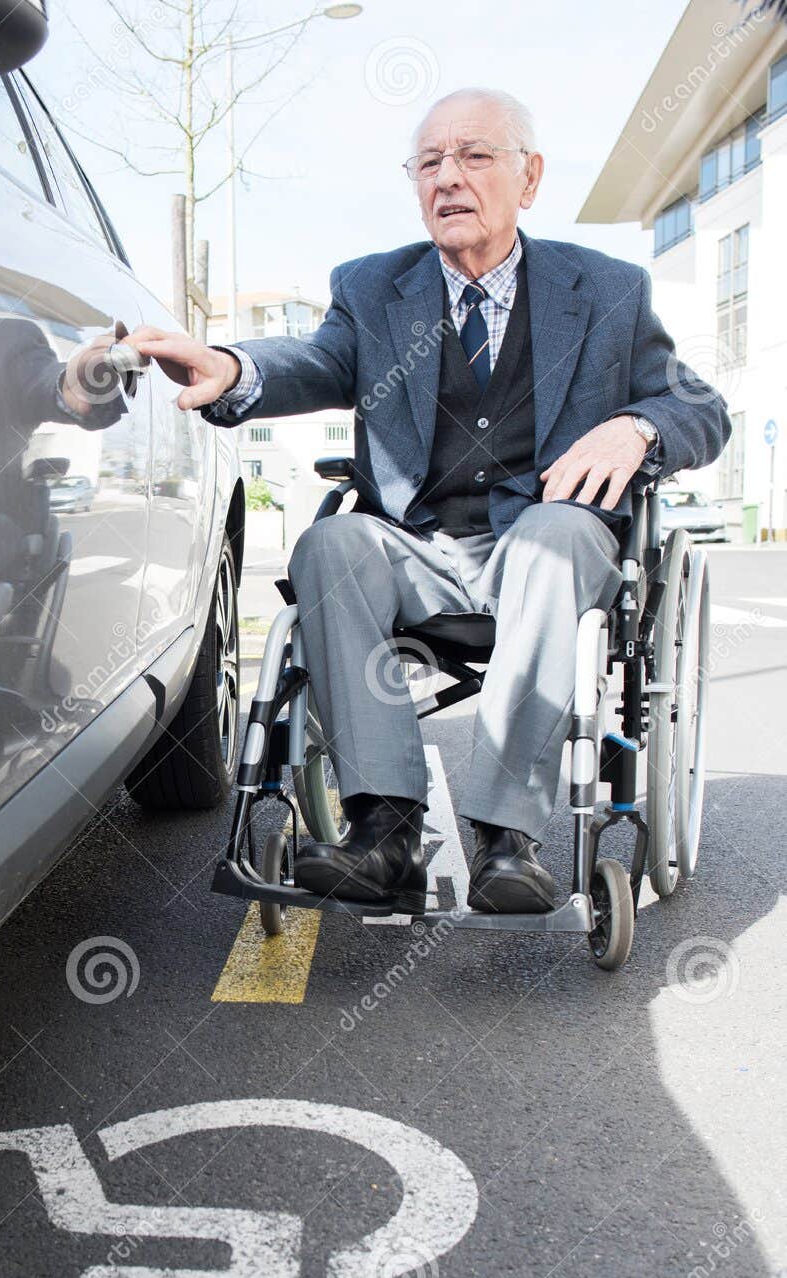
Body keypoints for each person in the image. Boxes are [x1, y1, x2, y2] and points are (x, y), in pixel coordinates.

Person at [128, 88, 730, 913]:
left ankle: (506, 839)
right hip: (420, 549)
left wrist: (635, 429)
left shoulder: (608, 292)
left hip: (547, 546)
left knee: (556, 537)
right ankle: (385, 834)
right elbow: (315, 360)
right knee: (330, 547)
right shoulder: (375, 289)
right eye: (429, 162)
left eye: (475, 156)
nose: (449, 178)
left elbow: (699, 408)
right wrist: (235, 369)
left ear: (531, 178)